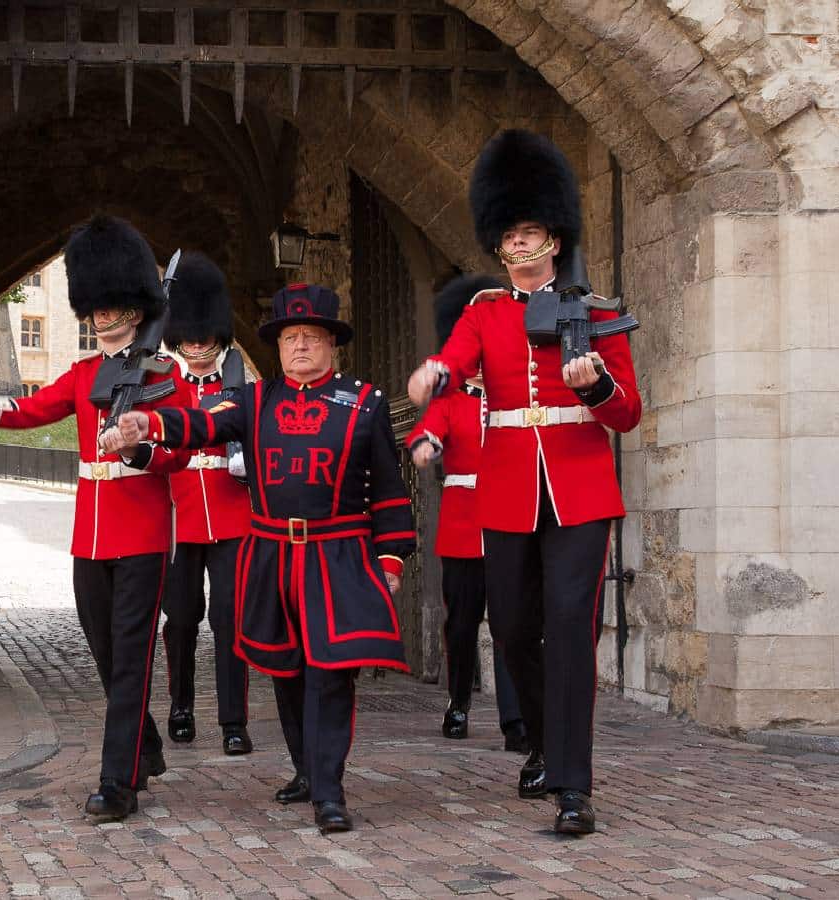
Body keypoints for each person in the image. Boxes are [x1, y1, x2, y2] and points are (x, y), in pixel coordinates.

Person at [101, 283, 415, 835]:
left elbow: (388, 489)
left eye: (311, 337)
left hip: (337, 554)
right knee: (288, 670)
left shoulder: (363, 402)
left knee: (331, 674)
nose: (299, 347)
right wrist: (147, 425)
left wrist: (389, 561)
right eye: (290, 337)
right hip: (272, 554)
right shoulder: (254, 400)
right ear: (277, 345)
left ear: (331, 345)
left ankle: (330, 790)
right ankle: (306, 770)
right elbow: (200, 425)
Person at [406, 130, 641, 835]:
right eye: (507, 236)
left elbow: (627, 413)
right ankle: (541, 740)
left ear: (554, 239)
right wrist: (435, 374)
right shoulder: (485, 312)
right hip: (508, 486)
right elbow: (455, 355)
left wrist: (595, 384)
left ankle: (574, 783)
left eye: (529, 232)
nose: (517, 245)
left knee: (570, 628)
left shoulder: (598, 314)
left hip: (579, 485)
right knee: (509, 628)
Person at [0, 215, 189, 821]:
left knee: (131, 657)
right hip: (91, 537)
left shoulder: (167, 375)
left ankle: (117, 782)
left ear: (134, 306)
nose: (102, 318)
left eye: (113, 306)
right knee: (106, 655)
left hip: (144, 535)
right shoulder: (82, 376)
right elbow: (33, 409)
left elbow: (181, 448)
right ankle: (145, 745)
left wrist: (140, 442)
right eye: (96, 309)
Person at [407, 274, 528, 753]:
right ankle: (458, 700)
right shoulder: (451, 398)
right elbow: (430, 429)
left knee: (509, 620)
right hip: (462, 525)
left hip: (509, 515)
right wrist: (425, 446)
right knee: (461, 622)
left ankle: (515, 717)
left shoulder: (514, 391)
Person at [159, 252, 253, 756]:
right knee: (180, 620)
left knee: (230, 620)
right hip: (178, 516)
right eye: (189, 339)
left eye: (204, 339)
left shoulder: (239, 388)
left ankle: (233, 720)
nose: (196, 347)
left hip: (232, 515)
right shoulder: (163, 388)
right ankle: (181, 707)